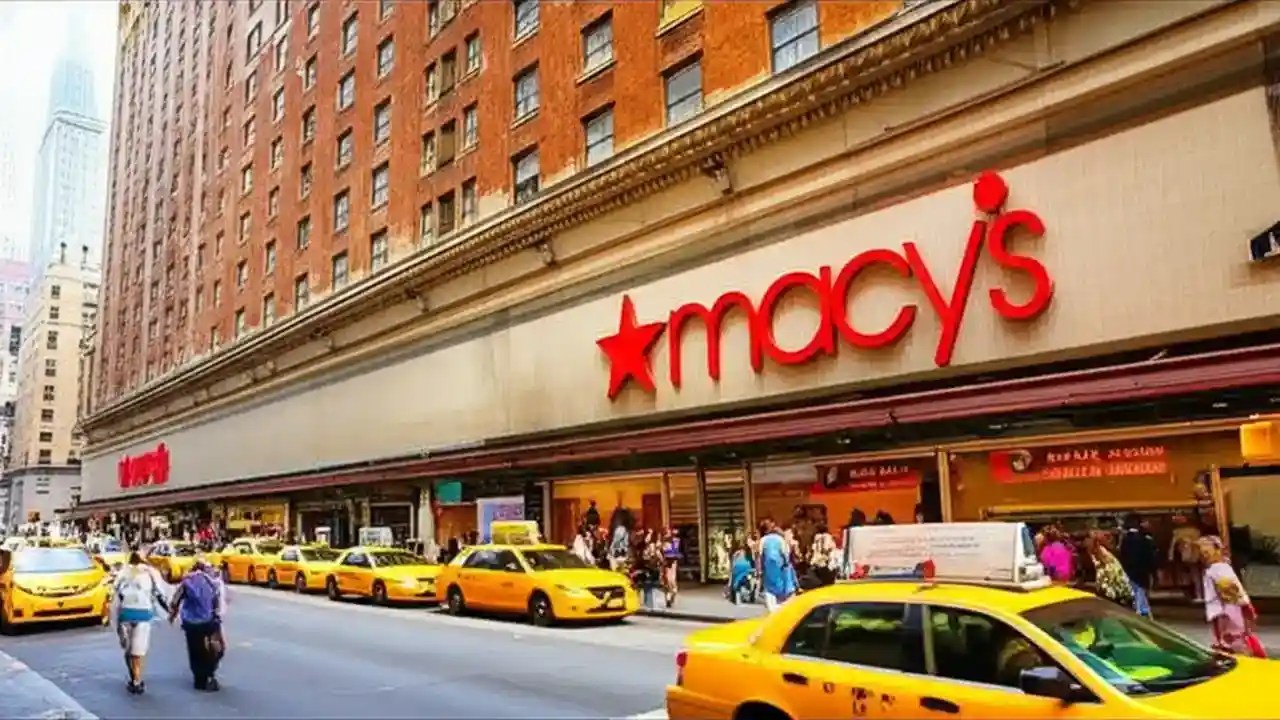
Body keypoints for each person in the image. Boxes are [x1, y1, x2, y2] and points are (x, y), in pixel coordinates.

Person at [113, 551, 167, 694]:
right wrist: (169, 610)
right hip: (143, 614)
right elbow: (161, 593)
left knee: (128, 649)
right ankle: (136, 680)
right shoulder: (152, 572)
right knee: (138, 651)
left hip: (125, 613)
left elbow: (115, 590)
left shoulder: (123, 571)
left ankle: (134, 678)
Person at [1199, 536, 1264, 657]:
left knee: (1233, 640)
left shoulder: (1219, 568)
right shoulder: (1218, 567)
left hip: (1227, 611)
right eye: (1202, 553)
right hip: (1224, 610)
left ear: (1217, 550)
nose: (1204, 556)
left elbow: (1231, 593)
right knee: (1230, 640)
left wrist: (1228, 613)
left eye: (1207, 552)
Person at [168, 556, 224, 691]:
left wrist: (172, 615)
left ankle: (199, 679)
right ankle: (210, 673)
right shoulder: (212, 582)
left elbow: (175, 601)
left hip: (191, 622)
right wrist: (216, 617)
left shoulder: (187, 582)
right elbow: (217, 602)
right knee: (214, 648)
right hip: (208, 621)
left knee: (194, 650)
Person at [1118, 513, 1158, 618]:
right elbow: (1149, 556)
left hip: (1130, 570)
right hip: (1142, 570)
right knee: (1140, 590)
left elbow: (1122, 555)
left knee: (1136, 590)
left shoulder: (1125, 540)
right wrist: (1152, 571)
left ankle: (1141, 609)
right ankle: (1142, 610)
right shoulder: (1145, 539)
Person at [759, 520, 797, 613]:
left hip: (768, 571)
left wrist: (759, 571)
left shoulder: (763, 540)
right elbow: (786, 554)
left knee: (770, 592)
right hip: (781, 570)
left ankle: (773, 612)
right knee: (784, 592)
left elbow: (759, 556)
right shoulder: (780, 539)